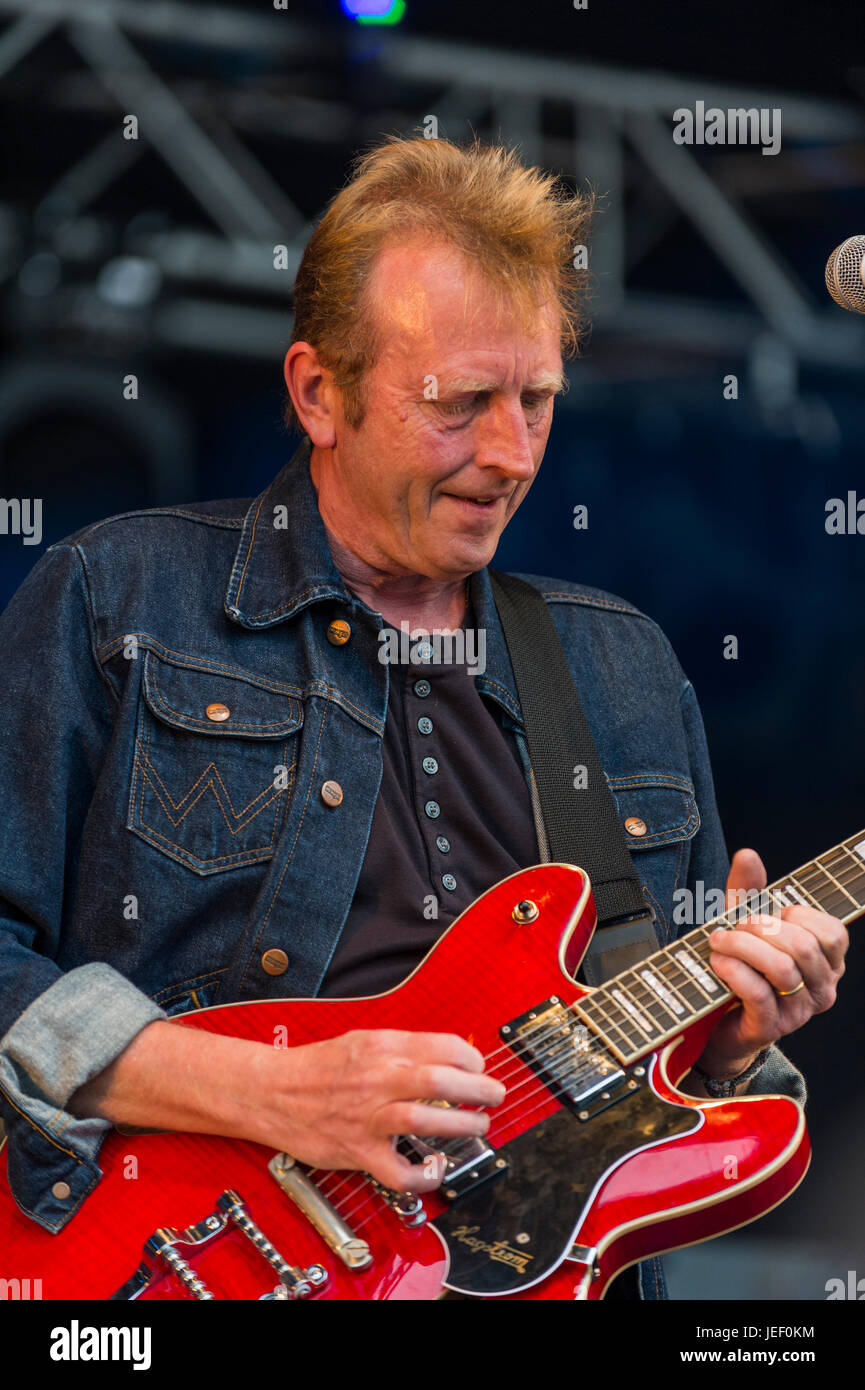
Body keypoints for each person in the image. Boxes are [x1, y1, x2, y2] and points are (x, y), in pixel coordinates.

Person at [0, 137, 848, 1301]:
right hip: (182, 1261)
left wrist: (742, 1033)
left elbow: (657, 1092)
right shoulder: (118, 598)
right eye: (458, 404)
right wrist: (274, 1091)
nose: (507, 455)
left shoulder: (621, 665)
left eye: (537, 400)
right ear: (318, 392)